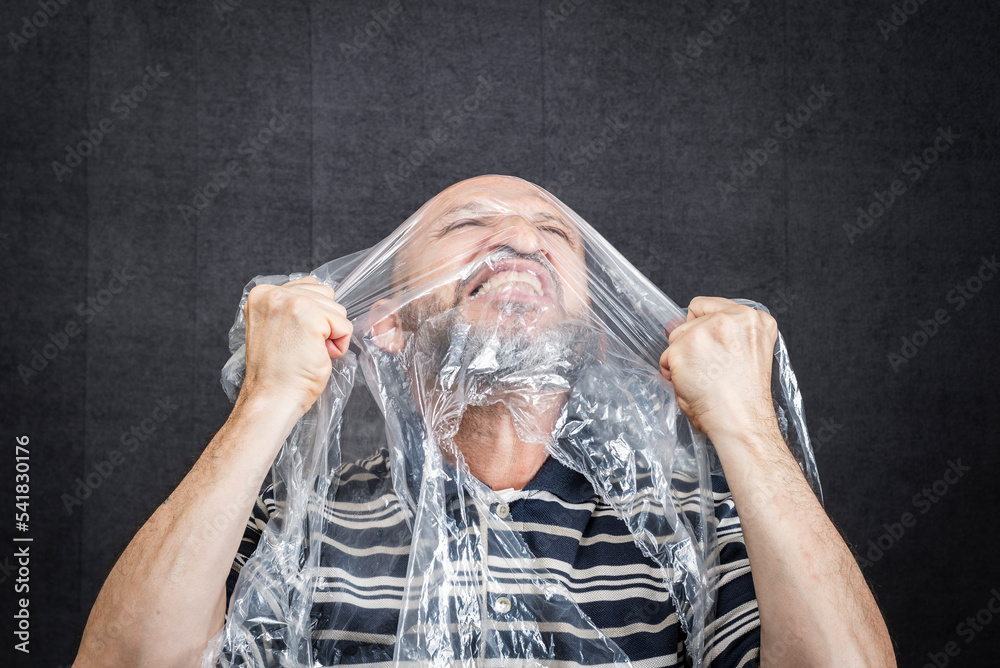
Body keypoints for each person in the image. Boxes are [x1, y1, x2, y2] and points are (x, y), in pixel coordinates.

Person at [75, 175, 895, 667]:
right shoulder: (300, 526)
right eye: (468, 226)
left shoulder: (688, 533)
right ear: (385, 325)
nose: (518, 240)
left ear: (596, 329)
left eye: (553, 235)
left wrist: (747, 424)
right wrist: (267, 400)